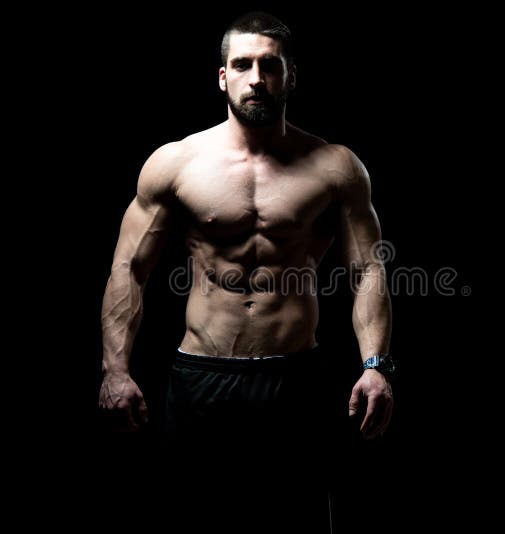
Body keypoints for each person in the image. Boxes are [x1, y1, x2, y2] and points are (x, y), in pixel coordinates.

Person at [97, 11, 394, 531]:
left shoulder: (335, 166)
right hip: (201, 376)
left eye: (270, 65)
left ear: (291, 76)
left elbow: (368, 269)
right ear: (223, 77)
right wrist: (115, 370)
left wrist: (376, 366)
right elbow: (129, 268)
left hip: (295, 379)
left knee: (297, 526)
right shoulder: (177, 163)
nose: (257, 78)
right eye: (242, 65)